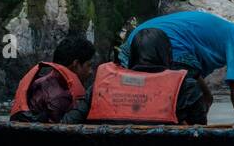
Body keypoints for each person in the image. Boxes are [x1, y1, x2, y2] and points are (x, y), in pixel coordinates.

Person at [117, 12, 234, 124]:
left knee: (206, 97)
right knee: (199, 97)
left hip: (135, 44)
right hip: (165, 43)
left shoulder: (221, 33)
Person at [62, 27, 207, 126]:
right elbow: (200, 131)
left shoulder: (103, 84)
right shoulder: (186, 86)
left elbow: (68, 123)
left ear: (132, 57)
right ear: (167, 55)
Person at [9, 35, 96, 122]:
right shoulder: (60, 97)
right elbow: (61, 132)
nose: (91, 71)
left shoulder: (42, 82)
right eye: (89, 65)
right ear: (76, 64)